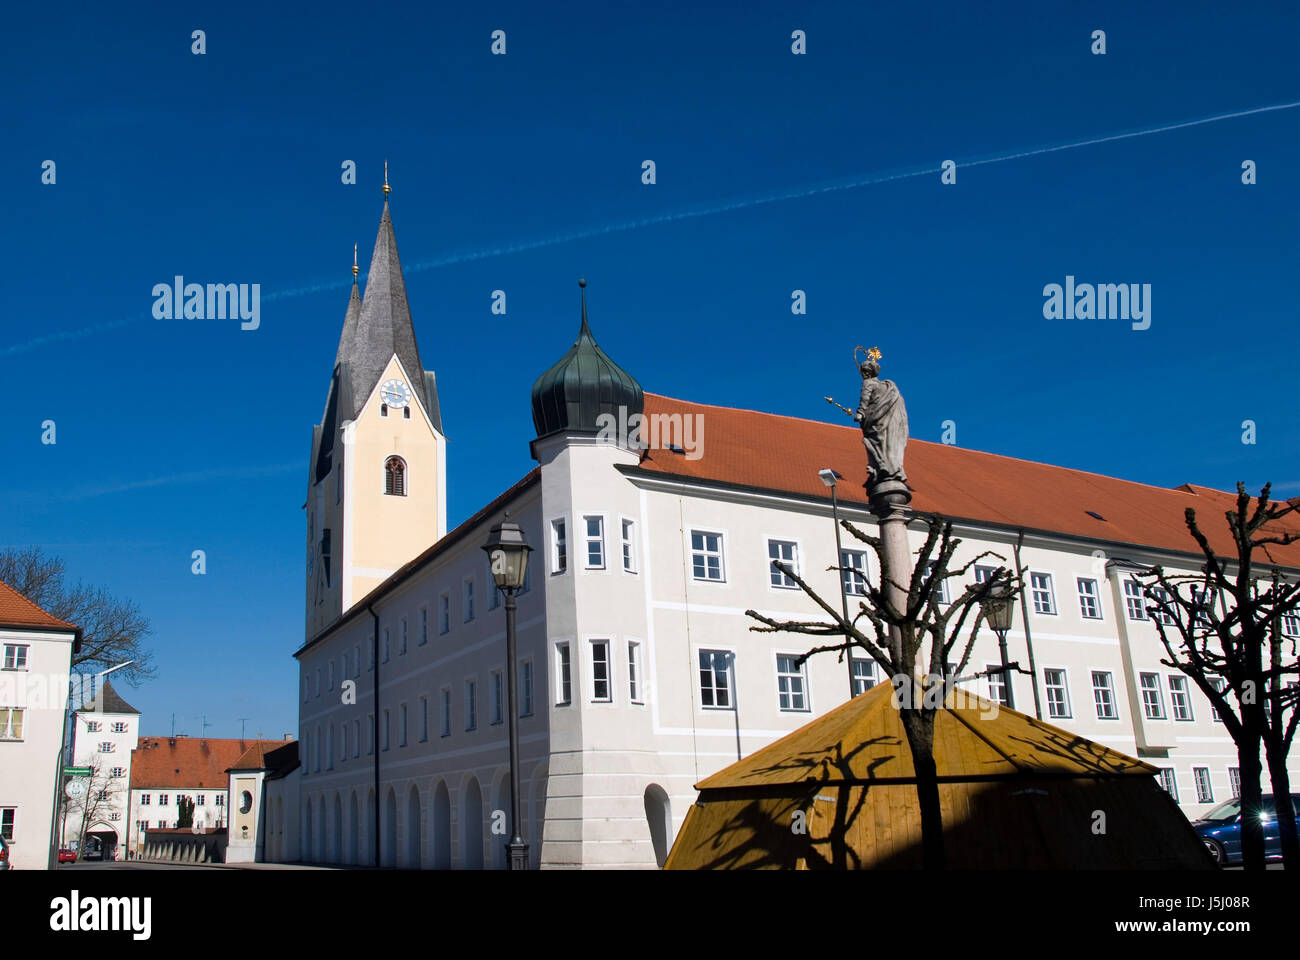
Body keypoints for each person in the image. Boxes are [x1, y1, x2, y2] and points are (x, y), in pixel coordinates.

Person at [854, 357, 909, 486]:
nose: (864, 374)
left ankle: (884, 467)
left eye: (864, 371)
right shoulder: (888, 385)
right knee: (890, 443)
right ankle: (895, 468)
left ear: (867, 373)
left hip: (876, 421)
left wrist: (860, 414)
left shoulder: (868, 383)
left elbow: (865, 400)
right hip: (889, 422)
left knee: (879, 443)